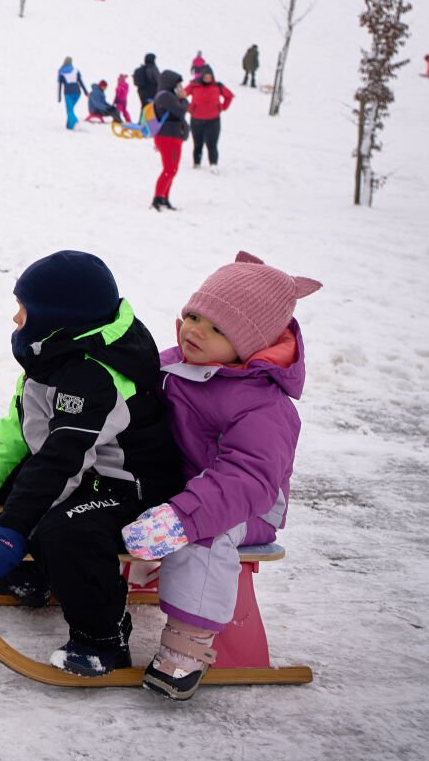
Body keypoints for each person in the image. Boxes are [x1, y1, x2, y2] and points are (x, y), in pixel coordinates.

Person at [0, 251, 181, 676]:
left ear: (58, 316)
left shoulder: (94, 375)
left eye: (24, 309)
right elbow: (21, 422)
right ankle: (32, 575)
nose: (15, 318)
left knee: (67, 528)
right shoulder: (54, 352)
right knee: (13, 482)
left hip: (131, 484)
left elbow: (60, 460)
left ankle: (103, 636)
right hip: (88, 468)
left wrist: (12, 527)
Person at [122, 252, 321, 700]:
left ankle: (188, 644)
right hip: (182, 493)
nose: (194, 330)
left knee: (204, 536)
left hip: (248, 507)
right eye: (193, 315)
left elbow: (247, 477)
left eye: (216, 328)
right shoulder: (173, 367)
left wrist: (183, 516)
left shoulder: (263, 404)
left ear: (250, 342)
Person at [151, 70, 190, 209]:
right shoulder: (165, 96)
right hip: (167, 136)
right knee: (169, 169)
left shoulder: (169, 95)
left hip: (173, 136)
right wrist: (184, 99)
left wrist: (182, 99)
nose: (180, 87)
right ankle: (157, 198)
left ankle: (164, 197)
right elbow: (181, 111)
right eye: (178, 84)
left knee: (172, 169)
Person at [185, 67, 234, 170]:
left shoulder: (217, 86)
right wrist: (189, 107)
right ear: (202, 76)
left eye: (209, 77)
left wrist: (222, 107)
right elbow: (181, 95)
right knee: (198, 143)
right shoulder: (194, 85)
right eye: (205, 77)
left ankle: (213, 164)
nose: (207, 79)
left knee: (212, 144)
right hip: (196, 119)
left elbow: (229, 96)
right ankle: (197, 163)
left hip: (213, 120)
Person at [56, 56, 88, 129]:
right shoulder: (76, 70)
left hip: (68, 93)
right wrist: (86, 92)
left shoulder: (61, 71)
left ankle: (75, 122)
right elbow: (81, 82)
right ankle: (70, 125)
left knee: (69, 110)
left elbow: (59, 85)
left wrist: (59, 97)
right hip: (77, 93)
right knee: (70, 109)